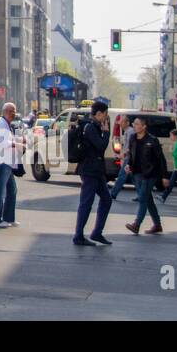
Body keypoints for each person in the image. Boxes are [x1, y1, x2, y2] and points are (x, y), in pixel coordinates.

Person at [73, 100, 114, 246]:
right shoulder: (90, 127)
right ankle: (78, 236)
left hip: (96, 170)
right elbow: (101, 146)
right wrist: (106, 133)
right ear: (98, 114)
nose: (106, 117)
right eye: (105, 114)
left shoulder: (94, 126)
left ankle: (97, 233)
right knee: (86, 203)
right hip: (90, 170)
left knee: (106, 199)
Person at [124, 116, 168, 236]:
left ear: (144, 127)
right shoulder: (133, 138)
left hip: (150, 174)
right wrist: (128, 165)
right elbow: (131, 155)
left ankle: (136, 224)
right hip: (137, 173)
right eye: (134, 123)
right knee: (148, 200)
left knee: (142, 198)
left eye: (137, 124)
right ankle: (157, 225)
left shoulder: (152, 140)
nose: (134, 125)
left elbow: (161, 159)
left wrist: (164, 176)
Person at [0, 102, 20, 228]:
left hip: (6, 162)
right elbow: (2, 142)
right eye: (12, 111)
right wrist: (17, 144)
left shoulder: (3, 123)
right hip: (1, 162)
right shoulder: (1, 124)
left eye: (14, 111)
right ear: (6, 111)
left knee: (12, 190)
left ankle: (8, 218)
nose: (14, 114)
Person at [108, 114, 134, 199]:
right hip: (129, 156)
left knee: (122, 175)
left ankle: (113, 193)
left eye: (122, 122)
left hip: (129, 157)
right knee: (135, 177)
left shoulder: (130, 132)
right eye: (119, 122)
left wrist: (124, 154)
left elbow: (131, 146)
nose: (120, 124)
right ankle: (142, 195)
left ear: (127, 123)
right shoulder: (127, 131)